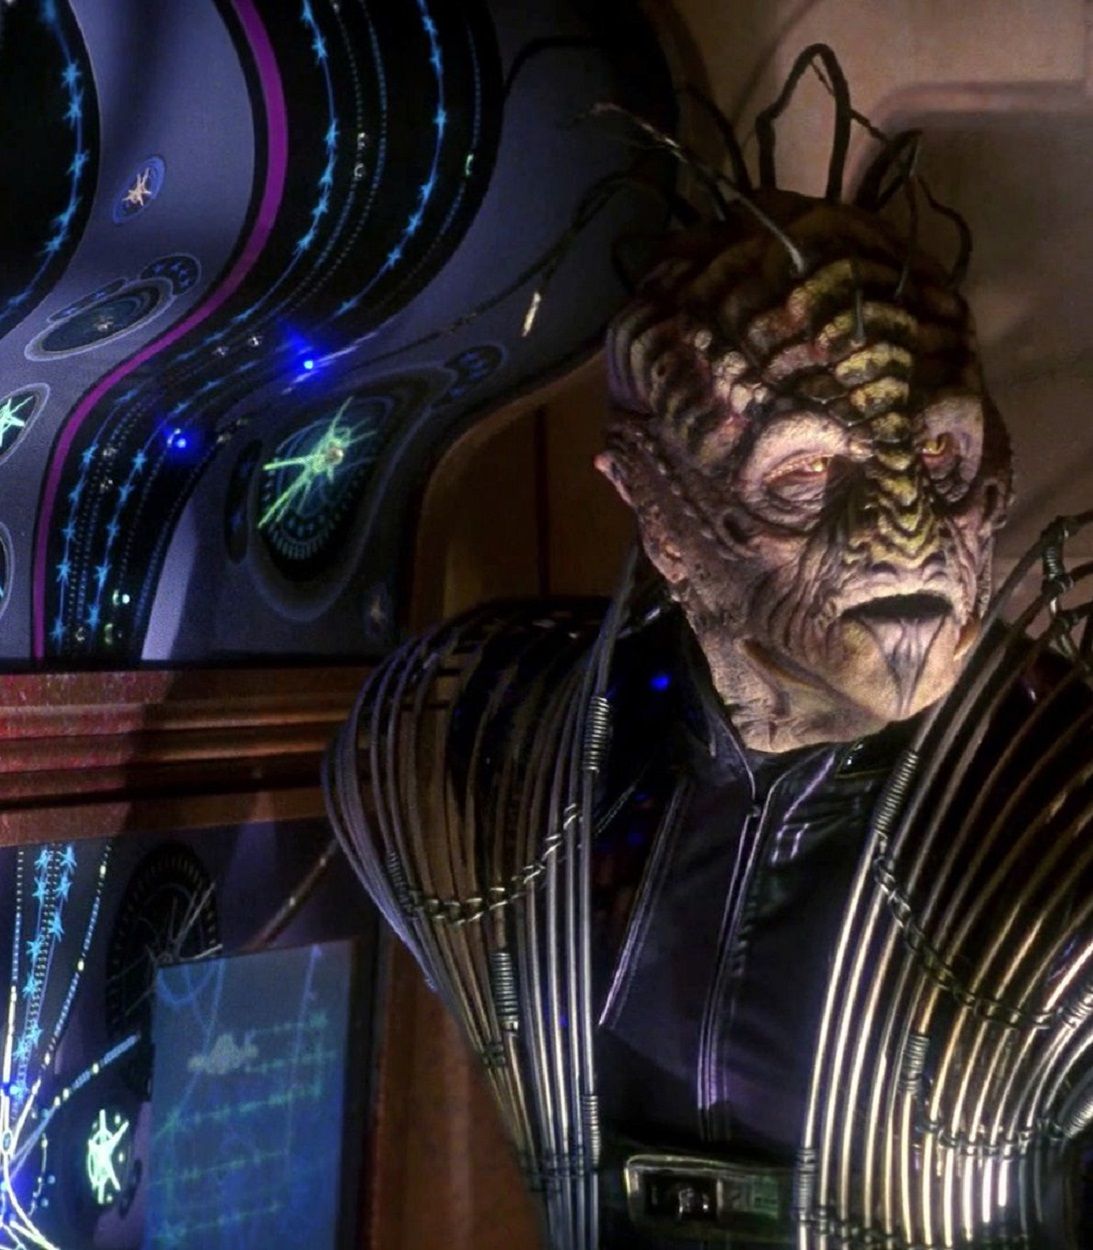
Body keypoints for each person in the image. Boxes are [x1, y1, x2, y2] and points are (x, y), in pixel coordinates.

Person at [326, 48, 1093, 1249]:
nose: (907, 533)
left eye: (939, 459)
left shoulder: (1060, 804)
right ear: (654, 502)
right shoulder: (485, 754)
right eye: (805, 474)